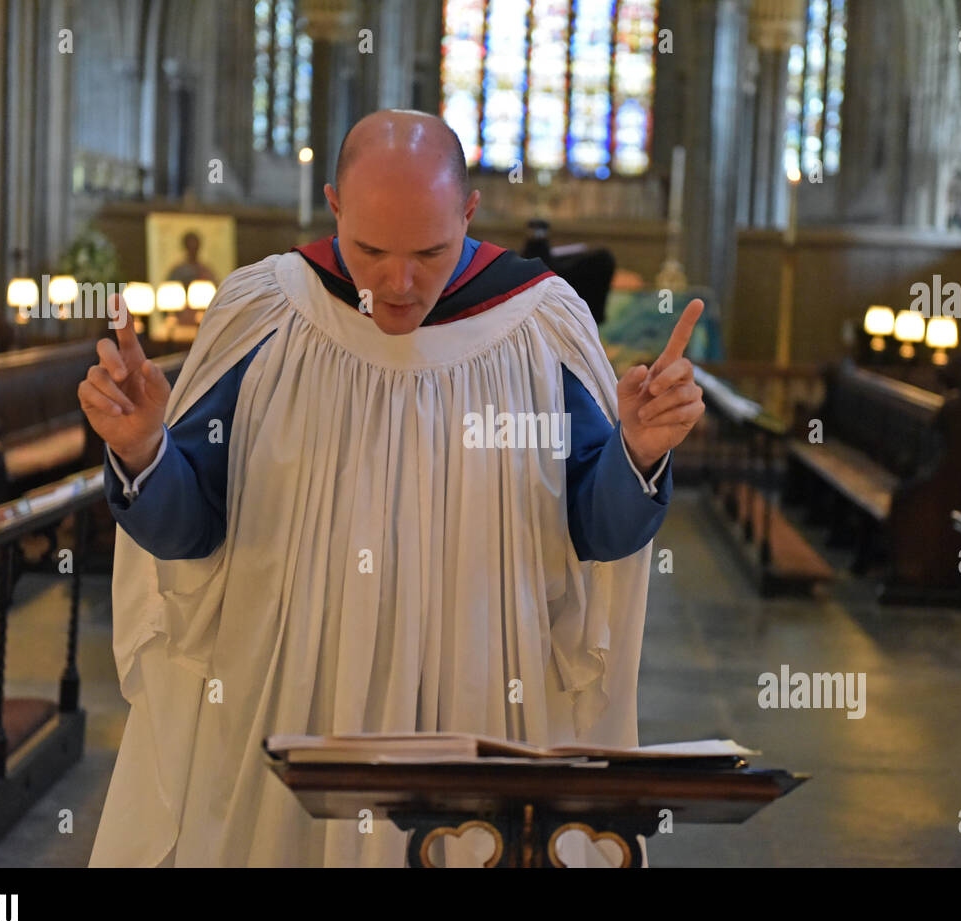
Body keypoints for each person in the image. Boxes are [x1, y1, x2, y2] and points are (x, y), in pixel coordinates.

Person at [80, 109, 705, 866]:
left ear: (470, 213)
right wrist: (144, 448)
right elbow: (193, 536)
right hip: (292, 697)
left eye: (430, 252)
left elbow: (597, 534)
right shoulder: (263, 314)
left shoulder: (540, 325)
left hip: (483, 694)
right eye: (370, 249)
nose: (397, 283)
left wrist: (637, 450)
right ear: (333, 204)